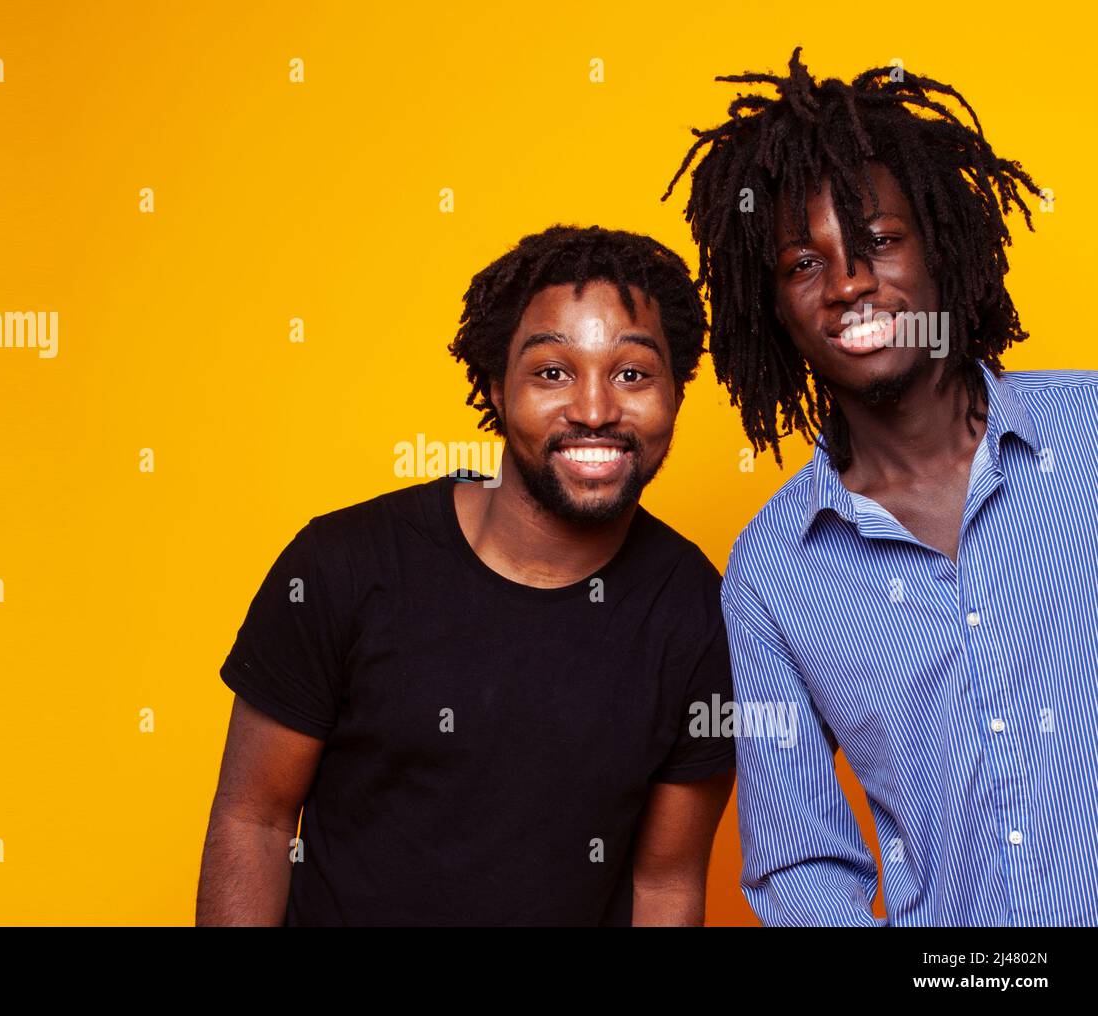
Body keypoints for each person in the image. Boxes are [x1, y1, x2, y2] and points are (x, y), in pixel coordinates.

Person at [664, 47, 1098, 925]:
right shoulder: (772, 574)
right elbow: (798, 862)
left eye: (880, 241)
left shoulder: (1089, 436)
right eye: (804, 264)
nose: (850, 282)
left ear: (942, 249)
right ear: (773, 308)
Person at [196, 225, 735, 925]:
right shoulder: (343, 566)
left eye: (632, 373)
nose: (596, 409)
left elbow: (667, 886)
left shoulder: (697, 613)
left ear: (676, 392)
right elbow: (254, 821)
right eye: (552, 372)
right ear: (494, 385)